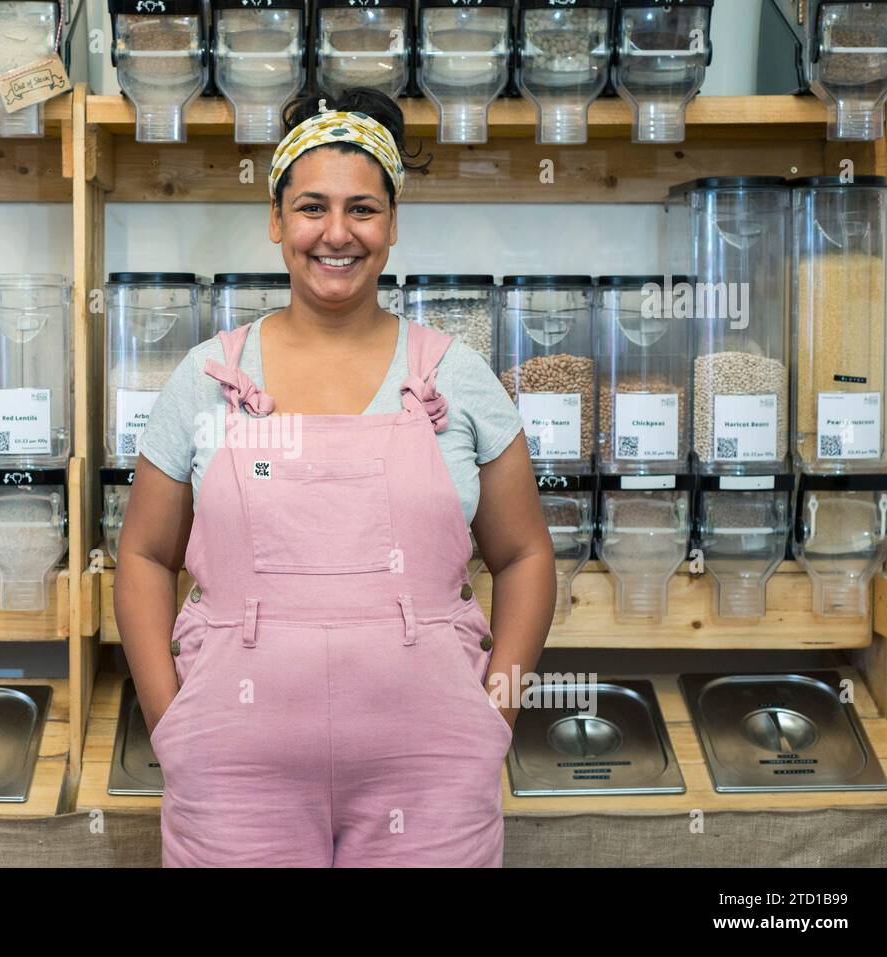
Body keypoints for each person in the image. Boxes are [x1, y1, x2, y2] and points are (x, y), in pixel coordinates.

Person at [114, 88, 556, 867]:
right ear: (276, 220)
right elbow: (145, 555)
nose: (337, 233)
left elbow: (525, 556)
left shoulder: (457, 377)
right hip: (233, 770)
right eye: (312, 207)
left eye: (363, 208)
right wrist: (171, 724)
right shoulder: (206, 378)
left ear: (392, 224)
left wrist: (494, 716)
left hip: (431, 771)